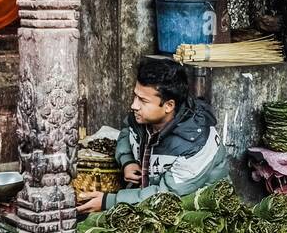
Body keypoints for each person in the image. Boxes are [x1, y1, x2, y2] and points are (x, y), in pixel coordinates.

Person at [77, 57, 229, 214]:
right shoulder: (141, 118)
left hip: (195, 213)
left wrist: (108, 201)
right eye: (135, 96)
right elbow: (126, 130)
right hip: (149, 203)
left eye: (143, 100)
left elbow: (166, 196)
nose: (134, 105)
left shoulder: (198, 144)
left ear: (169, 106)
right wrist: (127, 161)